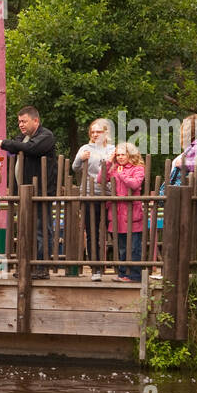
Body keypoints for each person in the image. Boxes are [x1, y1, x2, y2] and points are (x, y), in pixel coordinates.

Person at [0, 106, 60, 279]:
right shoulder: (24, 137)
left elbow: (30, 148)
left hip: (40, 192)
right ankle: (27, 266)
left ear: (35, 120)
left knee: (41, 230)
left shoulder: (46, 136)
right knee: (26, 230)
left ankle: (41, 268)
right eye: (19, 121)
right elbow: (19, 145)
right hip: (24, 193)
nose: (20, 124)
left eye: (24, 121)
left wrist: (3, 143)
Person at [73, 119, 114, 281]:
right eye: (93, 131)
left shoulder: (113, 149)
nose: (95, 134)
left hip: (109, 194)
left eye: (99, 131)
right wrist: (80, 158)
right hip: (90, 195)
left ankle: (120, 267)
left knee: (111, 231)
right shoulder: (85, 148)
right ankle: (95, 268)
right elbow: (75, 168)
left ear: (105, 133)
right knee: (92, 232)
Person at [99, 142, 146, 282]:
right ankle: (123, 274)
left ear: (130, 155)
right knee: (121, 247)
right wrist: (108, 162)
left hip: (132, 213)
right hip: (117, 214)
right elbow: (100, 179)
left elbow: (135, 184)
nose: (119, 157)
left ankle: (135, 275)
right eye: (117, 154)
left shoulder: (138, 168)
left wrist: (122, 175)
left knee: (134, 247)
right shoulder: (114, 168)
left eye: (122, 154)